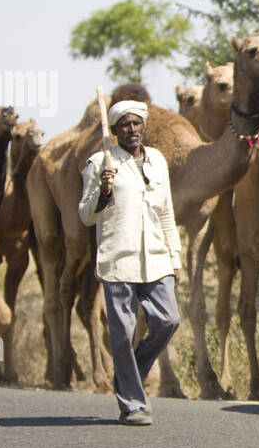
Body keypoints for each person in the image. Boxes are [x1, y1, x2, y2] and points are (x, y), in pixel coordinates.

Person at [78, 99, 182, 425]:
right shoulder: (99, 163)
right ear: (114, 130)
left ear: (143, 126)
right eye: (125, 124)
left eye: (136, 123)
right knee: (123, 332)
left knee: (168, 320)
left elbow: (166, 213)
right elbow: (85, 216)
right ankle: (133, 405)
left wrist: (175, 258)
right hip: (118, 260)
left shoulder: (158, 161)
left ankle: (128, 373)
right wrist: (104, 191)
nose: (132, 129)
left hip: (156, 258)